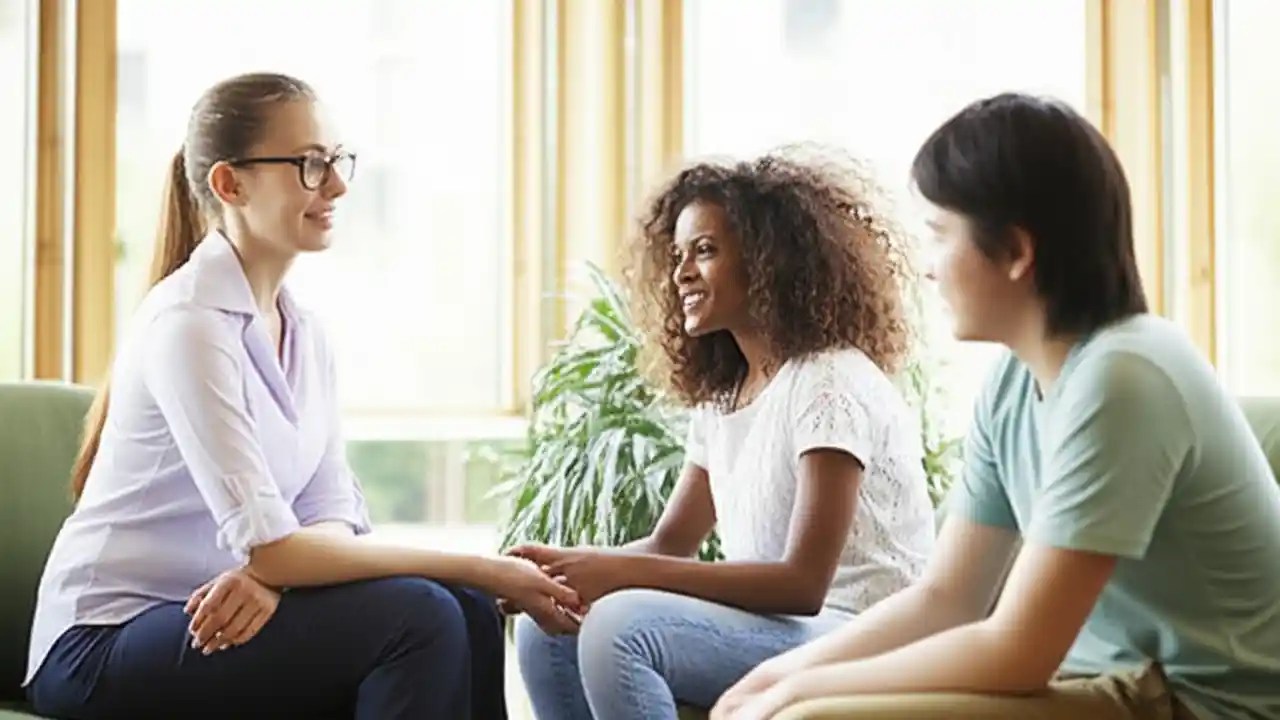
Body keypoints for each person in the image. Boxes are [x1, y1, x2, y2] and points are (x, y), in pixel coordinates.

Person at [23, 72, 578, 720]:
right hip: (100, 646)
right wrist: (487, 565)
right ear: (229, 184)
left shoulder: (303, 333)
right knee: (425, 615)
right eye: (309, 165)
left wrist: (270, 574)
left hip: (215, 612)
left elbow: (327, 509)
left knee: (467, 608)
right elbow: (274, 544)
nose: (337, 184)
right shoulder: (190, 326)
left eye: (336, 161)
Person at [713, 93, 1280, 720]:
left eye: (938, 235)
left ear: (1015, 251)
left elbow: (1019, 651)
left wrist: (806, 692)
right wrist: (778, 675)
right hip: (1116, 682)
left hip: (1205, 703)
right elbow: (947, 597)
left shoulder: (1126, 377)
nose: (927, 271)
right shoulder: (1015, 379)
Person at [511, 147, 938, 719]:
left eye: (705, 251)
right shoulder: (725, 397)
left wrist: (619, 575)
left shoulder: (828, 381)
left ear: (767, 263)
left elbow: (803, 584)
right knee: (552, 627)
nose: (682, 272)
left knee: (619, 629)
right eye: (678, 254)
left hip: (859, 630)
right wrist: (563, 573)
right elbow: (668, 547)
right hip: (786, 628)